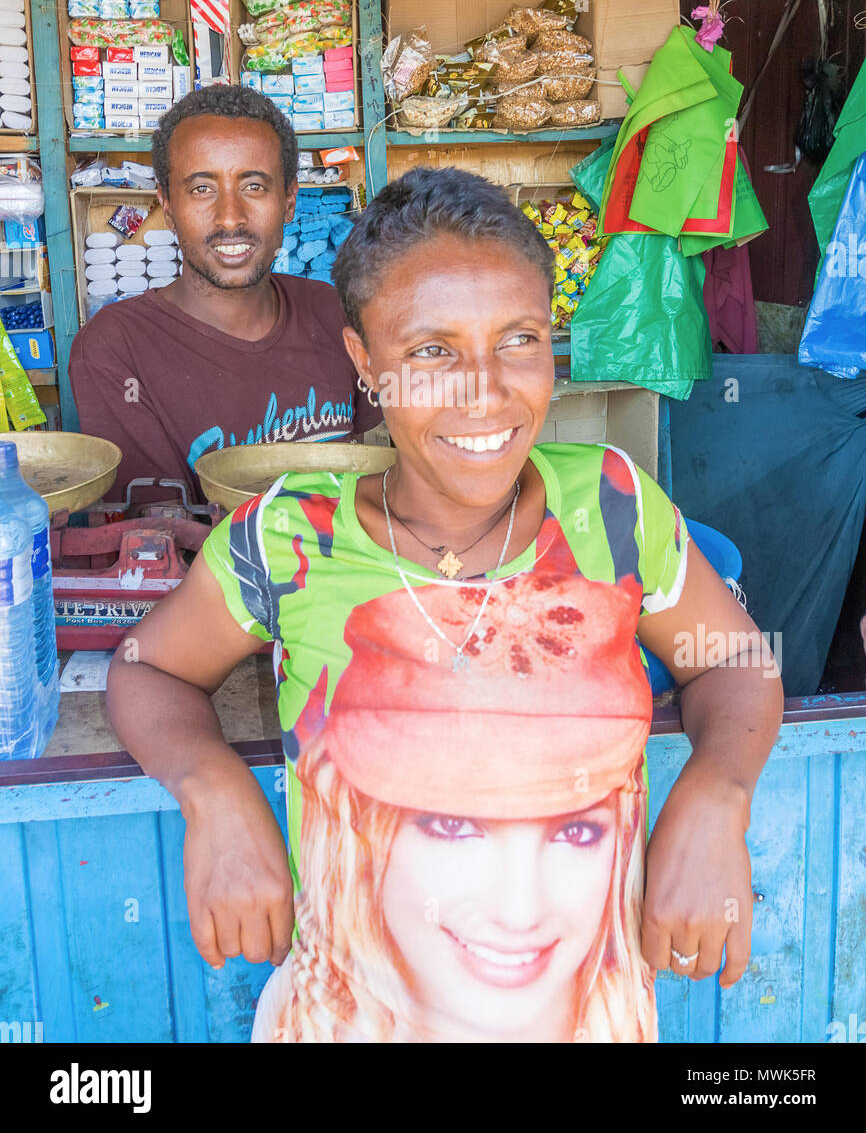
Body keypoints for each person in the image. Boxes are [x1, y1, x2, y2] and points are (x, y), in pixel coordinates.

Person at [106, 166, 784, 1044]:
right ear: (364, 363)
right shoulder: (290, 541)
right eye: (431, 350)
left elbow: (730, 659)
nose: (485, 390)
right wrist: (214, 792)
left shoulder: (614, 505)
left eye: (519, 339)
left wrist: (716, 794)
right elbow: (147, 666)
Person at [70, 85, 376, 505]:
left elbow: (377, 470)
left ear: (289, 201)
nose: (230, 217)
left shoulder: (334, 311)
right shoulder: (116, 347)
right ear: (168, 203)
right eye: (201, 189)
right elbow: (161, 529)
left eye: (254, 186)